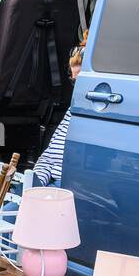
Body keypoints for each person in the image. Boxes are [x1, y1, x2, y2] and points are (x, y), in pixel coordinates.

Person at [33, 30, 87, 187]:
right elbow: (48, 158)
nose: (76, 87)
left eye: (81, 81)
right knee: (5, 210)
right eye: (73, 81)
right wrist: (35, 185)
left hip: (66, 191)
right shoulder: (72, 111)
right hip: (49, 187)